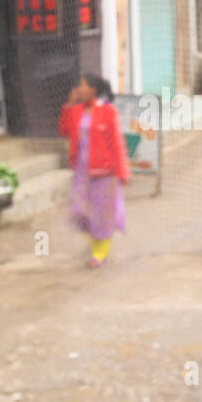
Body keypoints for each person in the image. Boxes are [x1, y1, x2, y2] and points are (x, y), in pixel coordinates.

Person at [59, 73, 129, 268]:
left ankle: (99, 253)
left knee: (103, 214)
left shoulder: (108, 111)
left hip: (104, 171)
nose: (79, 89)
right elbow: (65, 130)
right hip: (82, 170)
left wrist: (121, 171)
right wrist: (69, 106)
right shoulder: (77, 110)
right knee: (82, 212)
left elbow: (116, 142)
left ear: (93, 90)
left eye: (83, 86)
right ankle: (95, 245)